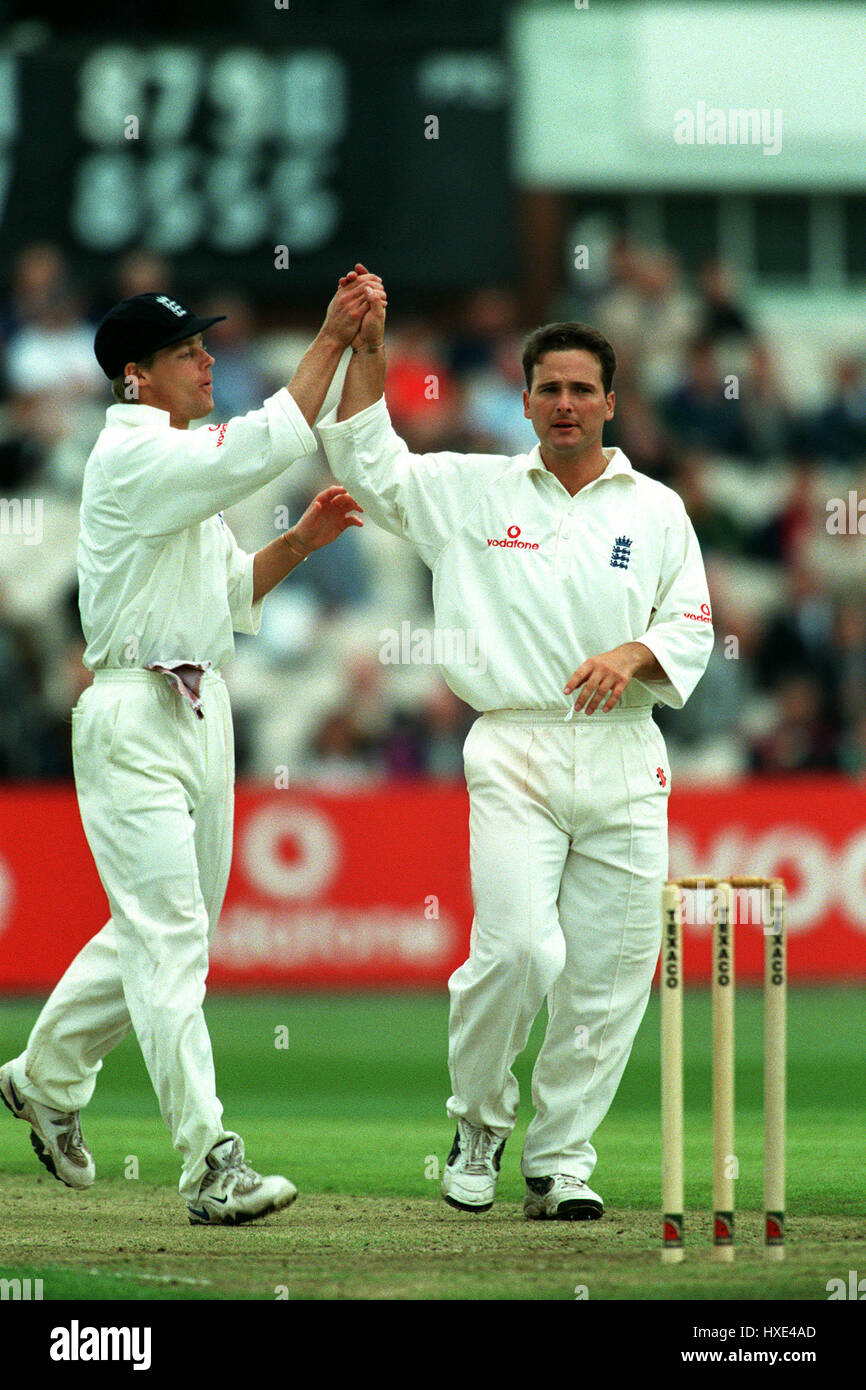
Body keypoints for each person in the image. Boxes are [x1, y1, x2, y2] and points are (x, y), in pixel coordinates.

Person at [318, 277, 713, 1221]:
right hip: (514, 746)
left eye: (583, 390)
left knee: (613, 976)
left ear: (611, 401)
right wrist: (366, 346)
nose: (566, 406)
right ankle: (479, 1126)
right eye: (549, 390)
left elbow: (692, 621)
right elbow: (369, 463)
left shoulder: (654, 507)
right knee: (520, 952)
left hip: (625, 749)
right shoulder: (471, 489)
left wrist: (633, 652)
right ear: (524, 397)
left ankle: (560, 1161)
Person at [0, 270, 385, 1225]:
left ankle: (44, 1077)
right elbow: (263, 441)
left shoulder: (173, 466)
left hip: (198, 709)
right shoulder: (131, 456)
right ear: (136, 377)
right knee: (170, 943)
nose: (209, 359)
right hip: (133, 712)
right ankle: (211, 1162)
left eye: (208, 347)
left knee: (168, 936)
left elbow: (228, 598)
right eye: (188, 352)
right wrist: (333, 337)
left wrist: (301, 541)